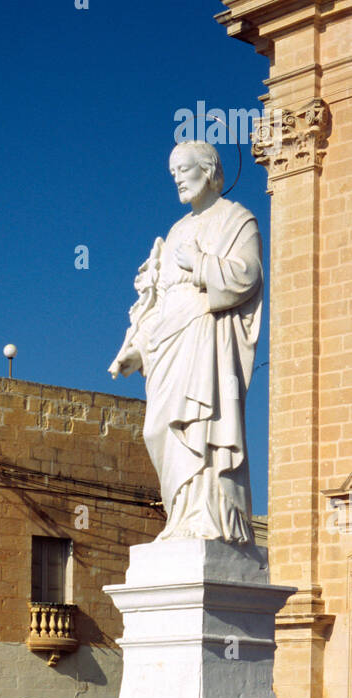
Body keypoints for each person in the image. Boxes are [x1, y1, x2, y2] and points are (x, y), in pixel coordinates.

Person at [109, 141, 263, 542]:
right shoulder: (176, 230)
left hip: (205, 337)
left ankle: (210, 518)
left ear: (209, 170)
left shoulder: (238, 220)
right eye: (172, 171)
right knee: (158, 429)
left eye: (183, 168)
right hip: (168, 344)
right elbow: (157, 301)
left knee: (202, 426)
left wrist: (200, 263)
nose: (176, 177)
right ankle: (181, 516)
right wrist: (138, 348)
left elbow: (246, 278)